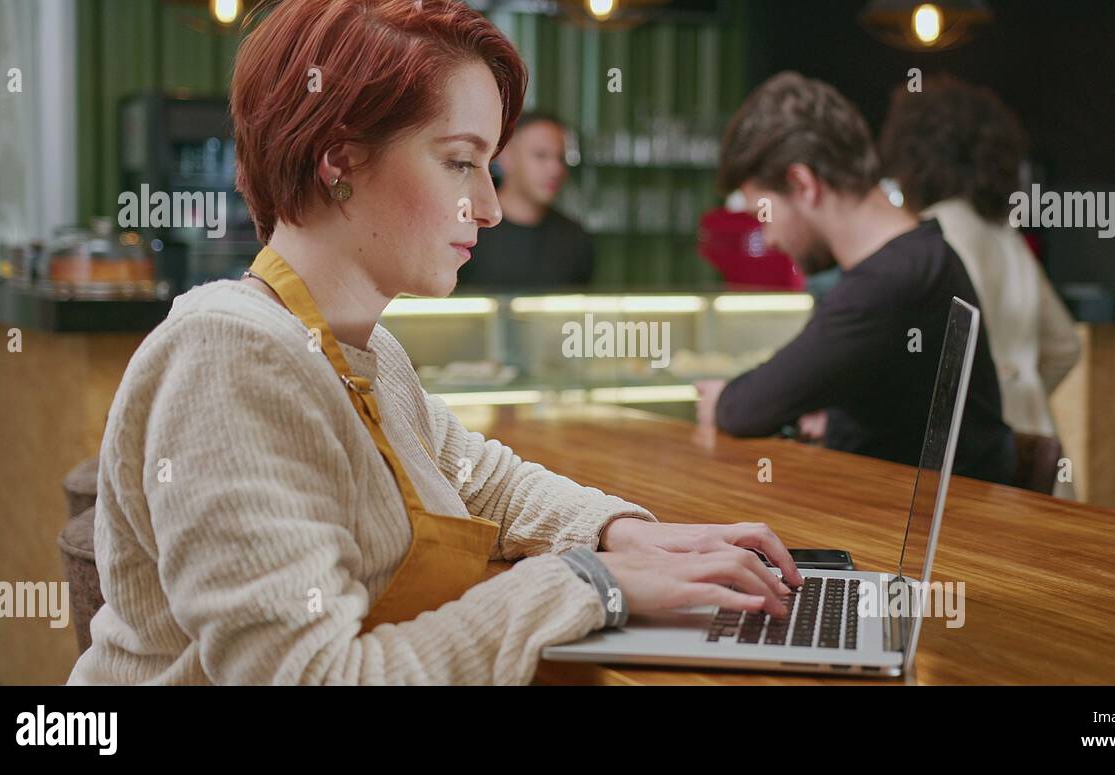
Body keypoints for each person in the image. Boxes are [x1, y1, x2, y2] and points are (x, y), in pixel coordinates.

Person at [67, 0, 801, 687]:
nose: (487, 207)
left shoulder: (367, 350)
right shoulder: (230, 356)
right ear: (338, 160)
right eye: (459, 162)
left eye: (490, 168)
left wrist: (619, 534)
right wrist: (587, 583)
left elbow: (483, 480)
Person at [695, 72, 1014, 485]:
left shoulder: (891, 280)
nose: (769, 240)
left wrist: (723, 399)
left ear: (802, 183)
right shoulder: (917, 258)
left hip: (952, 539)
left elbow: (744, 410)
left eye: (763, 214)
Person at [878, 75, 1081, 497]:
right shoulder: (1006, 236)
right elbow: (1065, 345)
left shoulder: (932, 238)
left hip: (980, 463)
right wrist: (1020, 384)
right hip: (1041, 452)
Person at [456, 111, 594, 289]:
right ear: (507, 158)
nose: (555, 169)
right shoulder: (467, 228)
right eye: (541, 155)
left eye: (561, 158)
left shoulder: (575, 238)